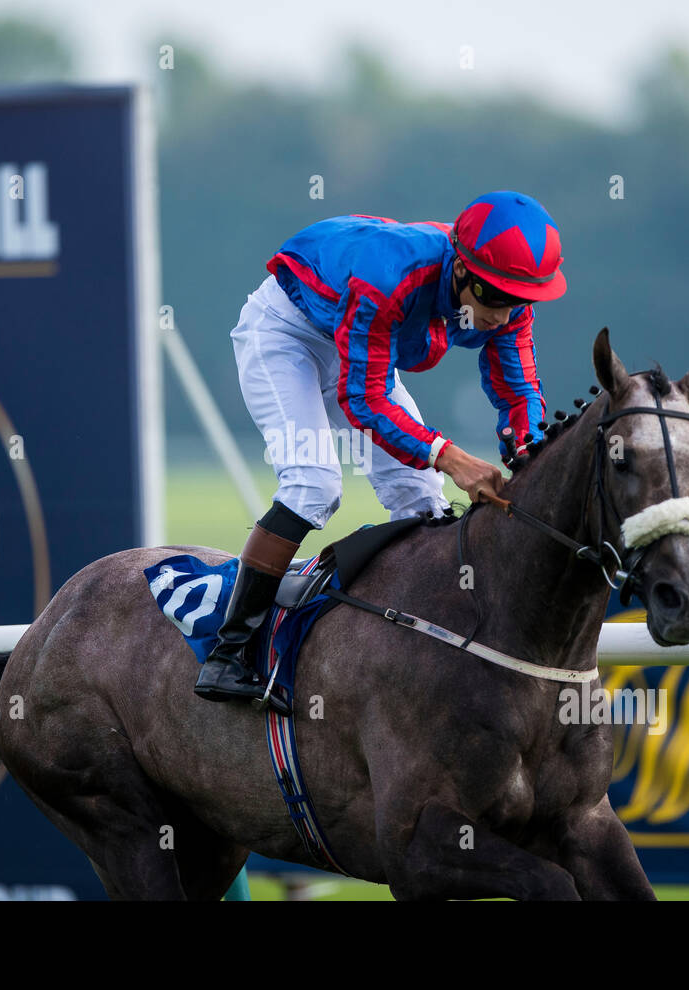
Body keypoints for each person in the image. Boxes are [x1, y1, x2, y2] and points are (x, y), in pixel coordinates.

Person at [194, 190, 567, 705]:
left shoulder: (505, 297)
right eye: (497, 299)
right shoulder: (390, 278)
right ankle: (226, 654)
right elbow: (362, 400)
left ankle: (433, 648)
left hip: (362, 342)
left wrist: (527, 456)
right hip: (287, 334)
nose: (504, 317)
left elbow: (519, 391)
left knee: (423, 496)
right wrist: (454, 457)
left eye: (519, 301)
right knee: (313, 484)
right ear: (461, 270)